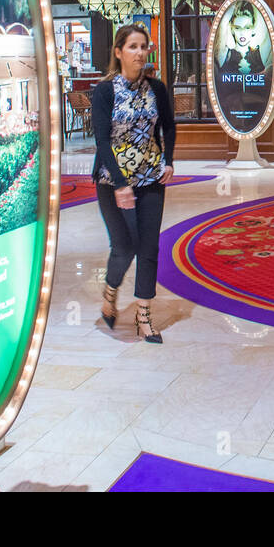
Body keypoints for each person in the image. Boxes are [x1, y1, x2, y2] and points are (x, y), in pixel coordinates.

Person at [92, 24, 177, 343]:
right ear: (118, 52)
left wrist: (168, 160)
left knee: (149, 247)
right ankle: (110, 294)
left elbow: (168, 126)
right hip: (112, 181)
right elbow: (101, 140)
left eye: (144, 46)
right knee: (124, 247)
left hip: (151, 178)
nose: (140, 52)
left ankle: (144, 314)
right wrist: (120, 183)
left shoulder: (156, 88)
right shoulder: (105, 91)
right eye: (133, 47)